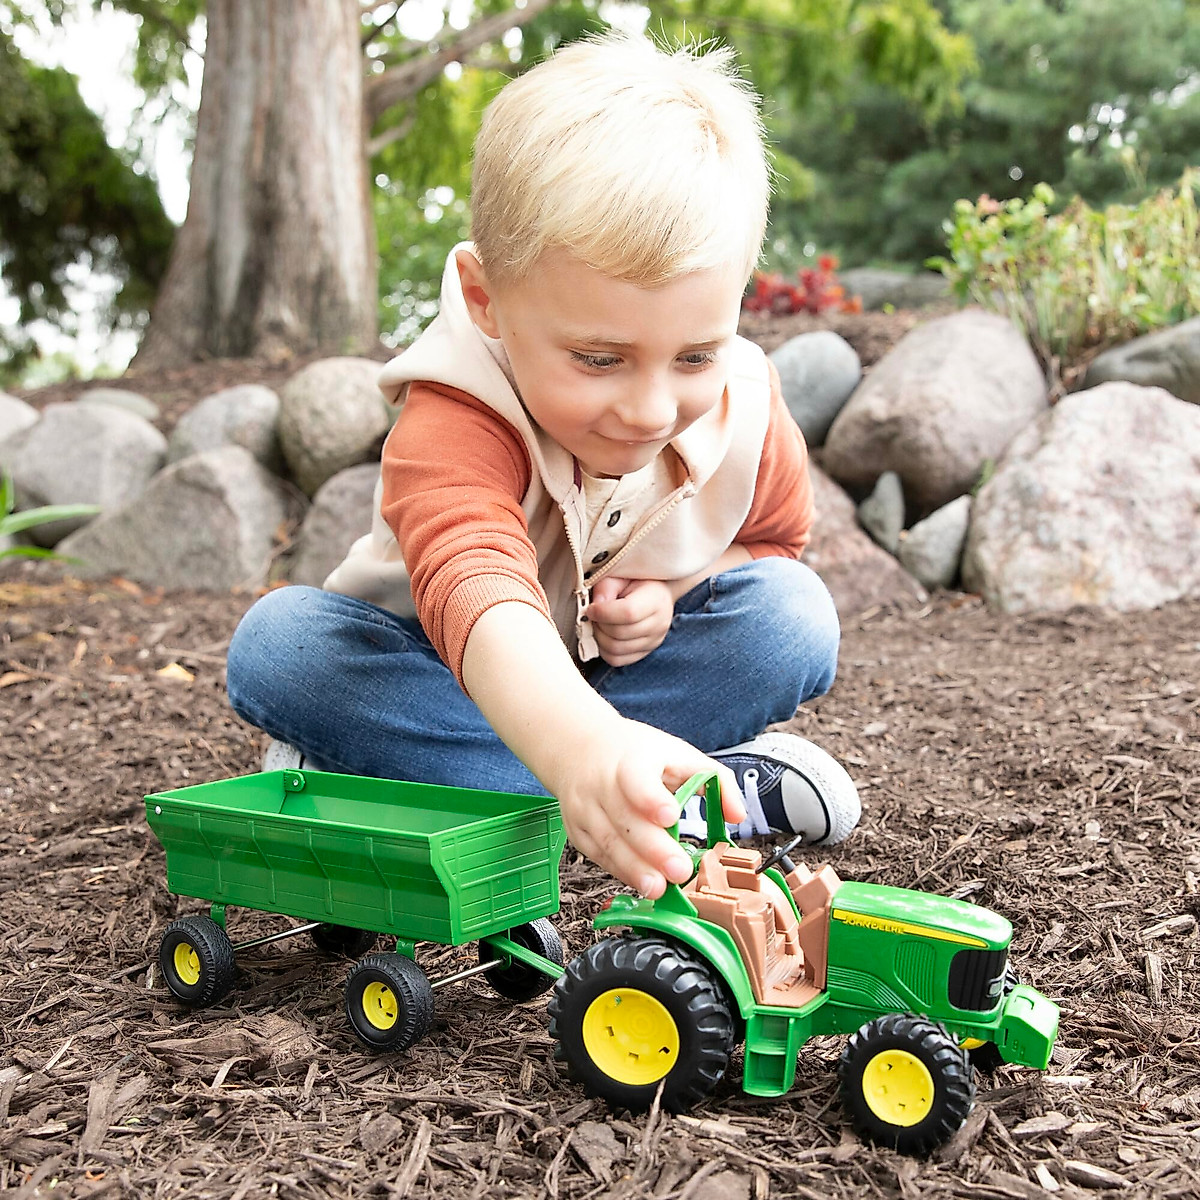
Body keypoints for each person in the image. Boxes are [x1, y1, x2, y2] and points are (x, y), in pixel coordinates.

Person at [226, 31, 859, 901]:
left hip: (609, 687)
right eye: (599, 359)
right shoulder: (457, 407)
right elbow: (474, 584)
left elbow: (772, 547)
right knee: (284, 646)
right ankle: (662, 794)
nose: (648, 408)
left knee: (792, 616)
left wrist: (677, 592)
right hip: (442, 673)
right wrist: (582, 751)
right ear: (489, 301)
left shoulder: (746, 403)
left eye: (693, 356)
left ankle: (491, 798)